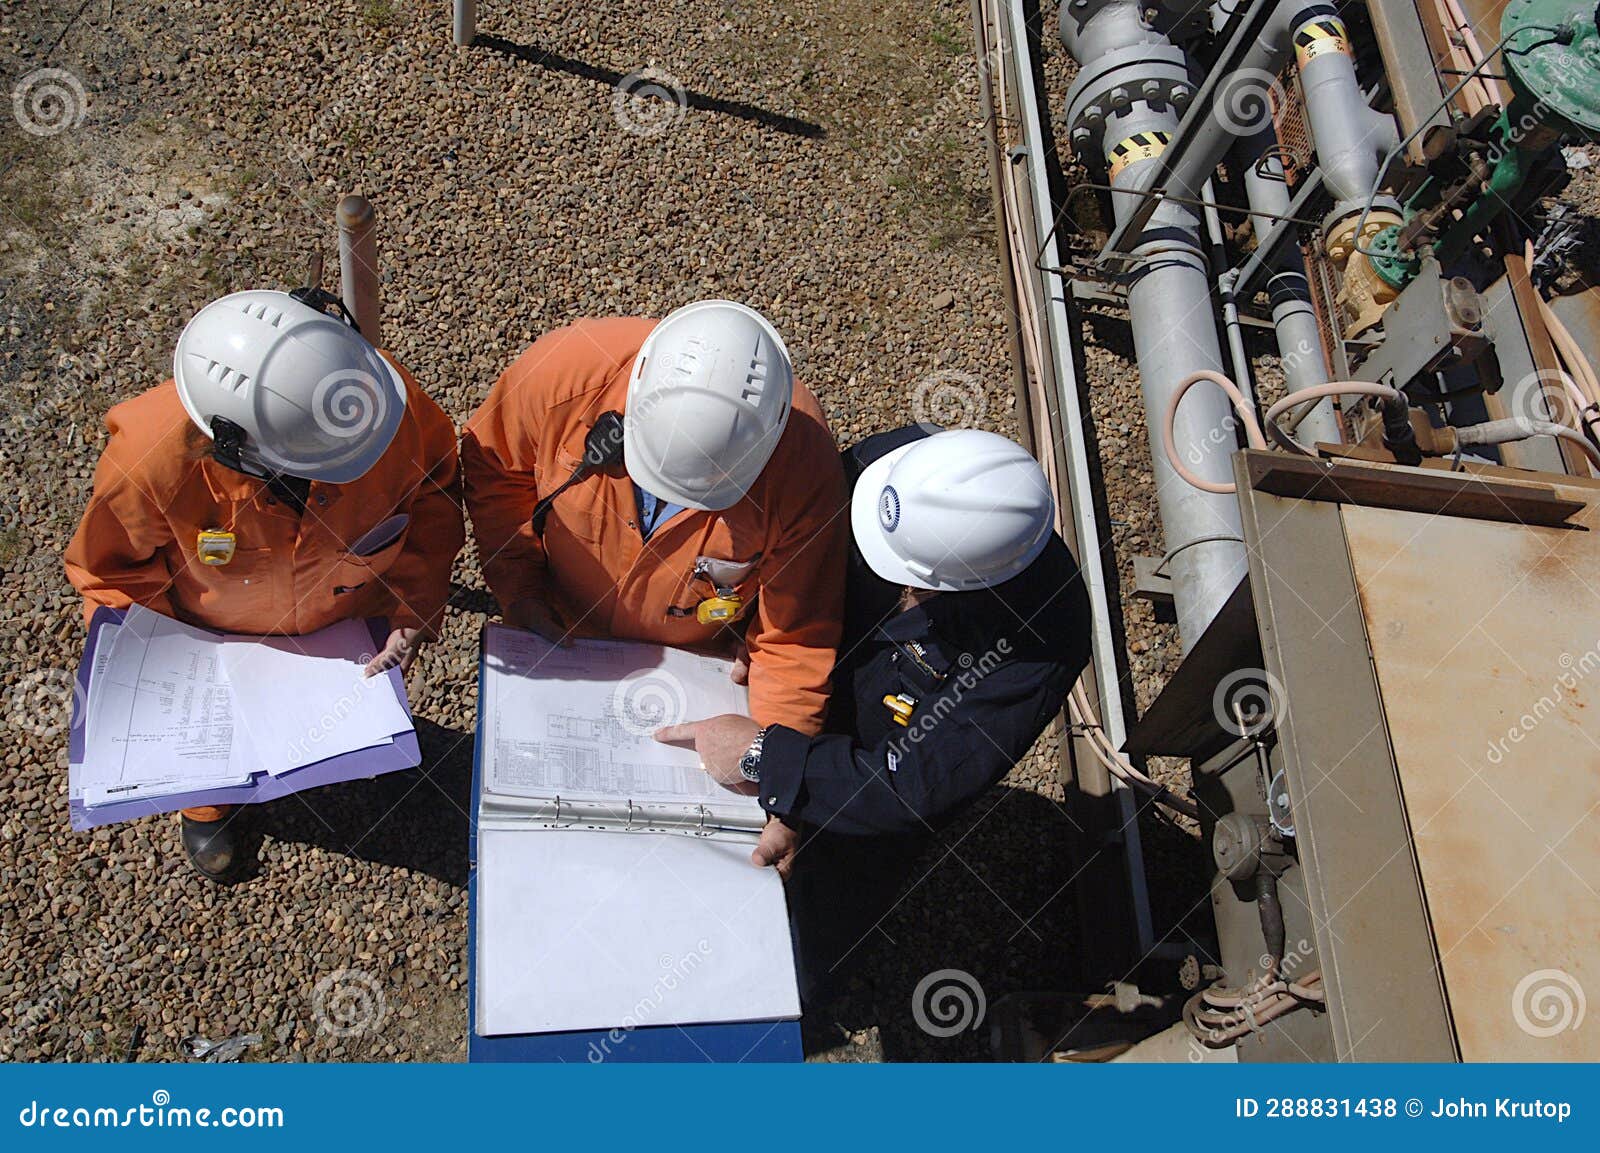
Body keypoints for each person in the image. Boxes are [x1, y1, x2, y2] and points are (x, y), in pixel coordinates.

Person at [655, 426, 1092, 1001]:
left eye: (912, 587)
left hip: (868, 776)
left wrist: (767, 757)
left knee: (823, 907)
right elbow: (792, 545)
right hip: (790, 682)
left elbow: (913, 784)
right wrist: (760, 624)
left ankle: (788, 993)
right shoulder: (889, 467)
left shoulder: (1040, 638)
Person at [64, 288, 465, 882]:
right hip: (212, 644)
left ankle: (361, 750)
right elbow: (111, 575)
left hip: (349, 627)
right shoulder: (148, 463)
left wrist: (412, 609)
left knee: (355, 729)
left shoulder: (376, 401)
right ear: (228, 446)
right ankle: (207, 801)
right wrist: (166, 669)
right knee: (207, 747)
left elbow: (433, 496)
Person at [461, 300, 847, 735]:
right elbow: (497, 474)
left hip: (700, 670)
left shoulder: (806, 471)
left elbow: (796, 640)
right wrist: (521, 589)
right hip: (558, 631)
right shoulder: (563, 374)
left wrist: (769, 755)